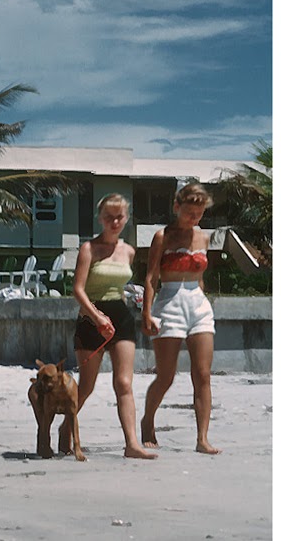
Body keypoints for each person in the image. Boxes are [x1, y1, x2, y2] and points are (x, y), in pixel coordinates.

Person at [69, 193, 157, 460]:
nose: (115, 221)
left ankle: (132, 443)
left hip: (121, 317)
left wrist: (145, 312)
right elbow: (78, 289)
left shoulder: (128, 251)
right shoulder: (89, 249)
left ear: (126, 218)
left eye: (120, 216)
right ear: (101, 219)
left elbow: (125, 288)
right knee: (87, 387)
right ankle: (66, 427)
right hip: (91, 317)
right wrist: (97, 318)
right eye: (109, 217)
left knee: (124, 383)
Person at [141, 183, 221, 455]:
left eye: (199, 214)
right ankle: (147, 421)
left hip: (198, 305)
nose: (194, 219)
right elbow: (151, 277)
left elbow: (200, 278)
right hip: (169, 303)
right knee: (166, 376)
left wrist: (202, 302)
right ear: (177, 207)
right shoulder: (162, 236)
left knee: (203, 374)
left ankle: (202, 438)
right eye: (189, 213)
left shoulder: (204, 238)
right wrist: (147, 312)